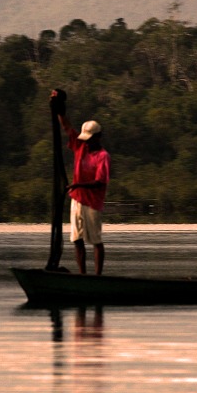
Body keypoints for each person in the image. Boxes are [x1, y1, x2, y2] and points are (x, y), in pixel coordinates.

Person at [52, 90, 110, 275]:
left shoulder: (103, 156)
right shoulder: (80, 146)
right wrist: (59, 106)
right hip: (77, 199)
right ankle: (82, 275)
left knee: (95, 240)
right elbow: (67, 127)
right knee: (77, 239)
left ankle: (98, 276)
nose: (87, 142)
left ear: (98, 137)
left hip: (93, 203)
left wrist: (78, 185)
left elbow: (100, 182)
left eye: (90, 139)